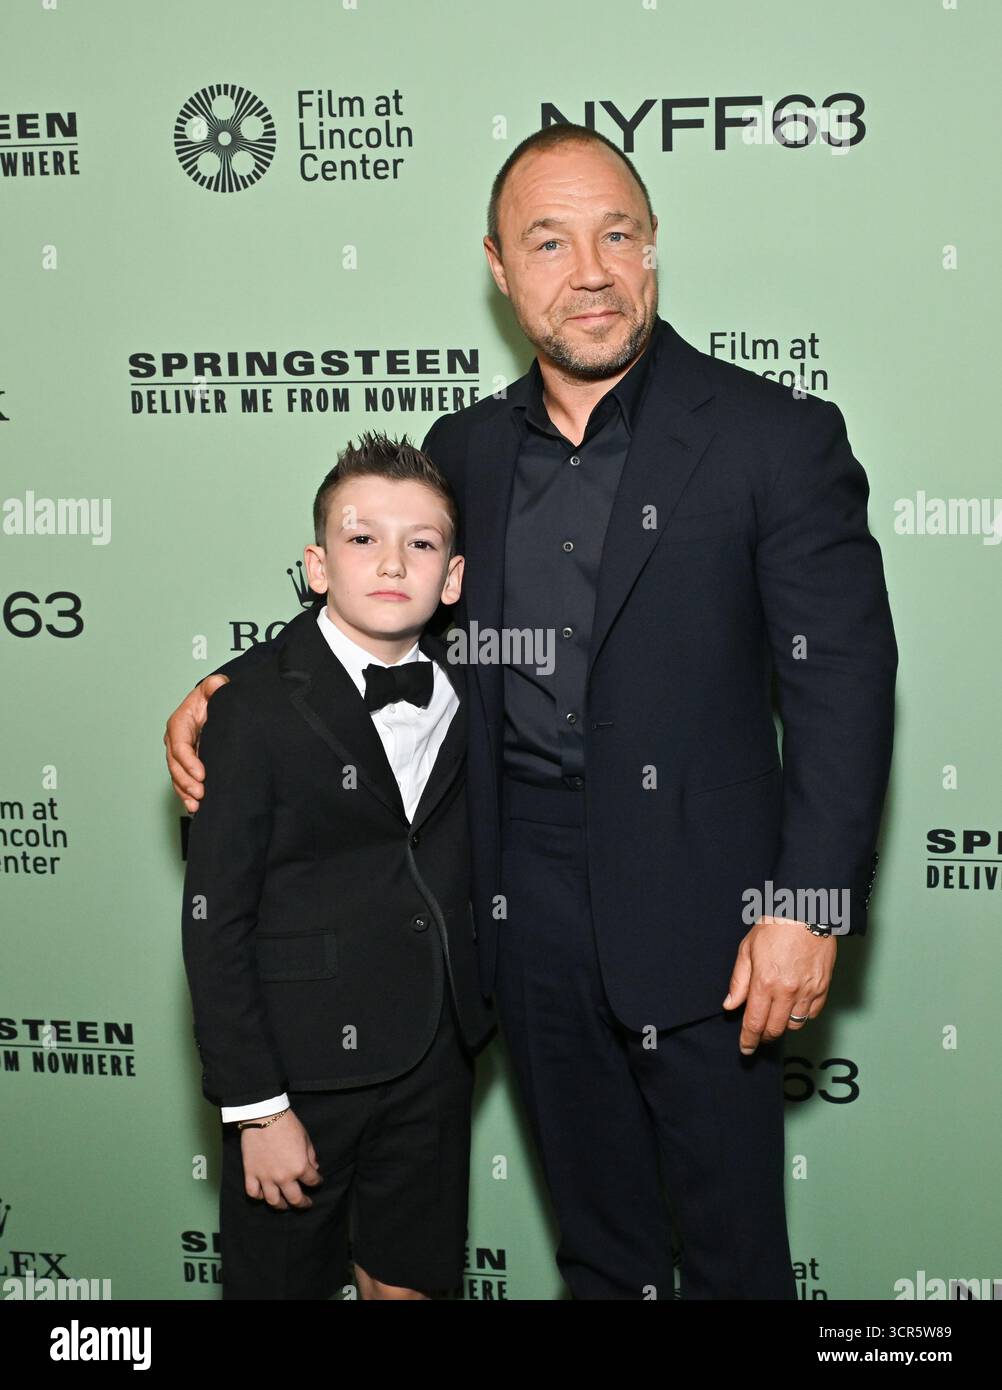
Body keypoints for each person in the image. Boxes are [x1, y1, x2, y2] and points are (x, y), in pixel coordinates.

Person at [168, 125, 897, 1300]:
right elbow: (377, 606)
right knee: (599, 1251)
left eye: (617, 235)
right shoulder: (464, 451)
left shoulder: (773, 437)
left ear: (652, 249)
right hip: (516, 902)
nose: (591, 271)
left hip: (714, 912)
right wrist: (226, 691)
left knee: (736, 1261)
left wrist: (807, 905)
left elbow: (844, 680)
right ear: (500, 268)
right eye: (549, 242)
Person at [180, 431, 494, 1300]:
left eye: (420, 544)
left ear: (453, 578)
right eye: (362, 538)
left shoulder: (479, 685)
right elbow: (215, 923)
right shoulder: (250, 708)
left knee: (411, 1282)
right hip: (298, 1066)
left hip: (436, 1052)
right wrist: (257, 1108)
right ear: (316, 566)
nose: (391, 562)